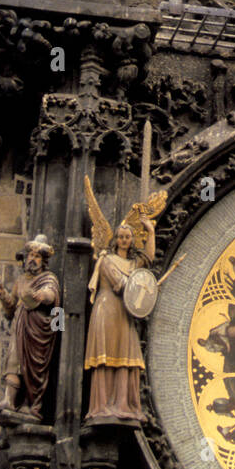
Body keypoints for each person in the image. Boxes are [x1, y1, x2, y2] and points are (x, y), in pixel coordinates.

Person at [83, 177, 159, 423]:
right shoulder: (106, 260)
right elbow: (123, 285)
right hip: (108, 309)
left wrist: (150, 231)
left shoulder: (132, 262)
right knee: (106, 355)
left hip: (126, 313)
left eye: (129, 237)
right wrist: (142, 288)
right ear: (115, 239)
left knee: (128, 355)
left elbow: (148, 259)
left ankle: (126, 404)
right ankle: (102, 405)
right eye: (122, 236)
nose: (125, 240)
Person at [0, 234, 60, 423]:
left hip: (38, 330)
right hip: (20, 325)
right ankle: (9, 400)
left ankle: (32, 406)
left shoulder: (49, 278)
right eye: (30, 255)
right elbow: (11, 307)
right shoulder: (21, 280)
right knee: (14, 362)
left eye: (37, 256)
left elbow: (54, 299)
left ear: (43, 261)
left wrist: (42, 295)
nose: (32, 259)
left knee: (33, 368)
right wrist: (3, 295)